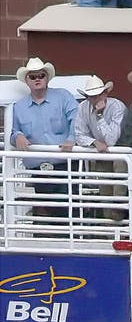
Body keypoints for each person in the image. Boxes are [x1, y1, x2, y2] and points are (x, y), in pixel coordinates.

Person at [10, 57, 78, 221]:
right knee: (43, 215)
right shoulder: (19, 107)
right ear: (27, 81)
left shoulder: (64, 97)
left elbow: (77, 119)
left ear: (47, 77)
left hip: (65, 165)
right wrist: (17, 136)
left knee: (69, 214)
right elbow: (13, 131)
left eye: (41, 75)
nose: (37, 79)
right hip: (37, 172)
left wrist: (71, 138)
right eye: (33, 77)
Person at [74, 75, 128, 221]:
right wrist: (94, 142)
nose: (95, 99)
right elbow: (79, 134)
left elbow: (111, 140)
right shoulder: (82, 107)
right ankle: (110, 227)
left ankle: (119, 210)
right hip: (103, 154)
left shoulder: (117, 107)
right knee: (105, 193)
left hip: (120, 154)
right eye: (91, 96)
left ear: (105, 94)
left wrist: (99, 115)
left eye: (98, 95)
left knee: (118, 191)